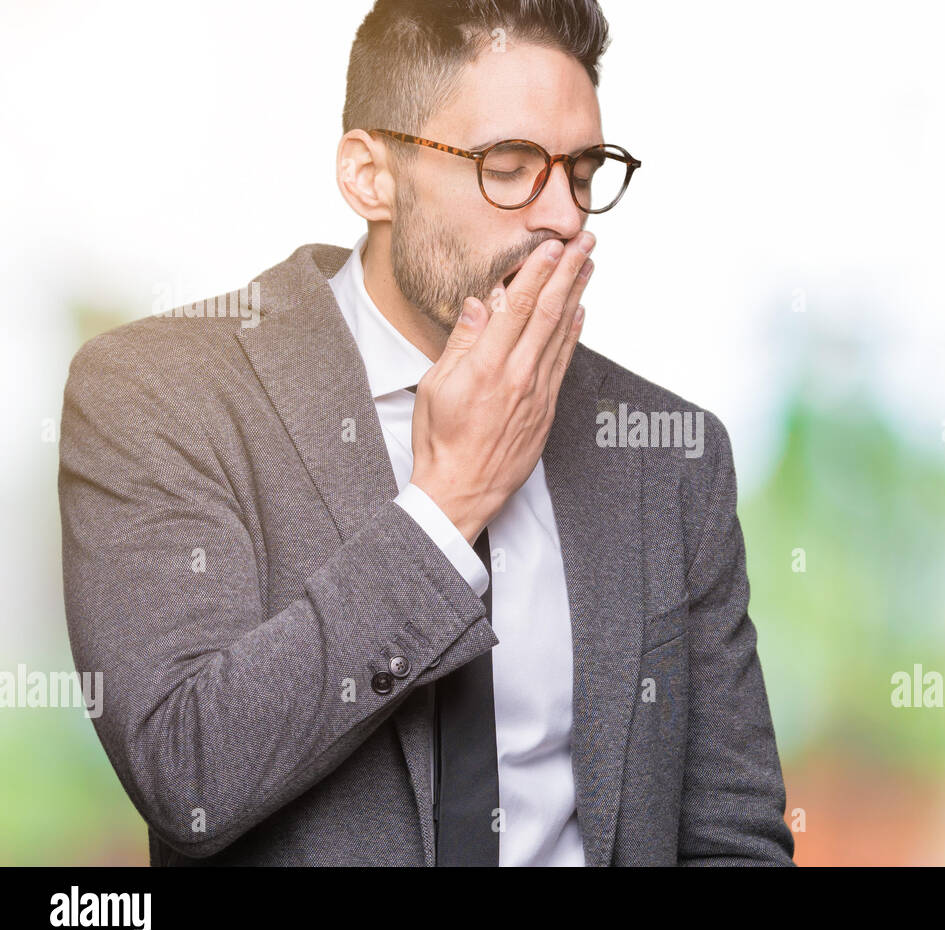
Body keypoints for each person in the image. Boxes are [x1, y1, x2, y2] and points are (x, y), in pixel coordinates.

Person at [58, 0, 794, 866]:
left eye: (583, 171)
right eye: (511, 165)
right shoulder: (157, 393)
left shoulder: (671, 453)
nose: (564, 216)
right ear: (371, 176)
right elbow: (187, 776)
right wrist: (447, 507)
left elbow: (732, 838)